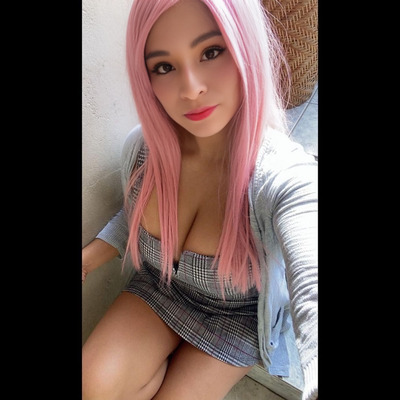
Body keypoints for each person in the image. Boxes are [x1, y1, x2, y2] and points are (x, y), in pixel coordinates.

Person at [82, 0, 318, 399]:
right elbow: (135, 215)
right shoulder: (144, 150)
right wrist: (86, 261)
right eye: (164, 66)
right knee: (92, 383)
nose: (191, 89)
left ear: (245, 46)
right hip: (161, 288)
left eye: (211, 51)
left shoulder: (283, 175)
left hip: (236, 318)